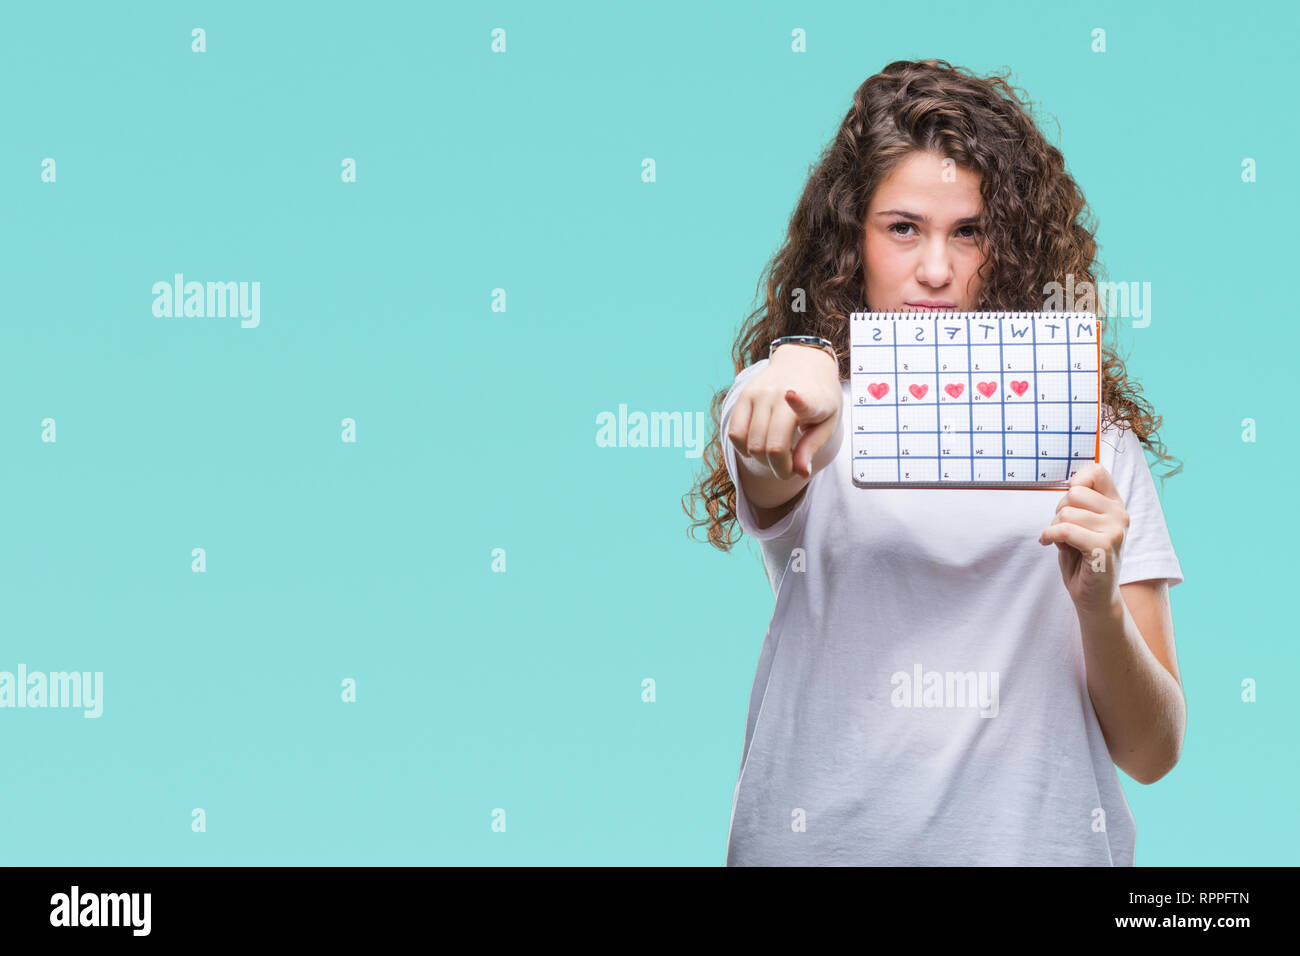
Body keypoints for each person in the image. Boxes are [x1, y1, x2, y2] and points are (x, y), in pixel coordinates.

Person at [683, 59, 1186, 866]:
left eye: (970, 231)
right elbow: (770, 444)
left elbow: (1154, 752)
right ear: (852, 240)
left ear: (1011, 242)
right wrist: (802, 359)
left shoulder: (1094, 441)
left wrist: (1098, 605)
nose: (937, 271)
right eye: (903, 227)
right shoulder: (803, 402)